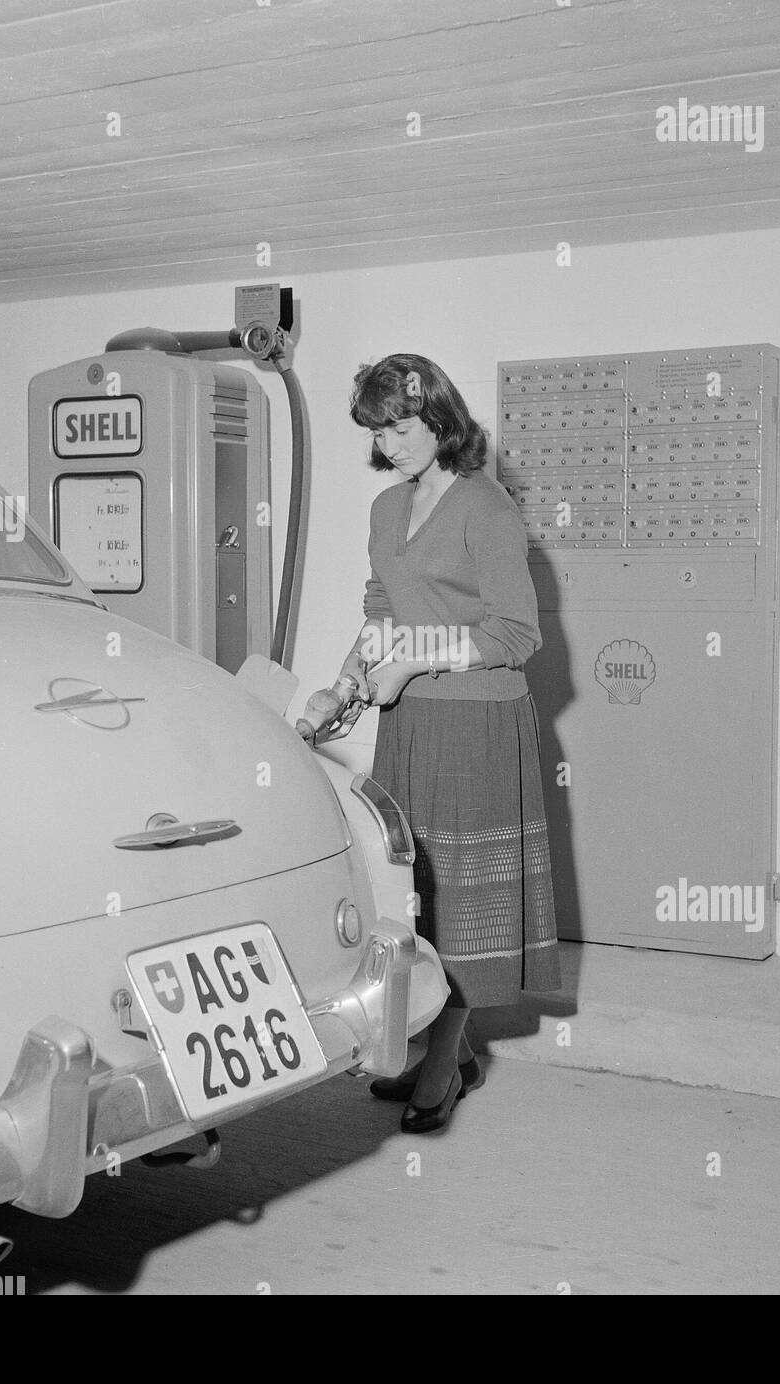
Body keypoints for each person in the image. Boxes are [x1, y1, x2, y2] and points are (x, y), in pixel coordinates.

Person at [334, 353, 561, 1134]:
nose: (391, 443)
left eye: (402, 425)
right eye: (378, 429)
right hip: (411, 722)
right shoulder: (385, 510)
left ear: (440, 419)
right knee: (416, 893)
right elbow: (380, 608)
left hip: (475, 722)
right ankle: (446, 1048)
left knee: (463, 899)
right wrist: (347, 680)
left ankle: (443, 1062)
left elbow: (516, 632)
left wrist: (414, 663)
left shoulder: (486, 507)